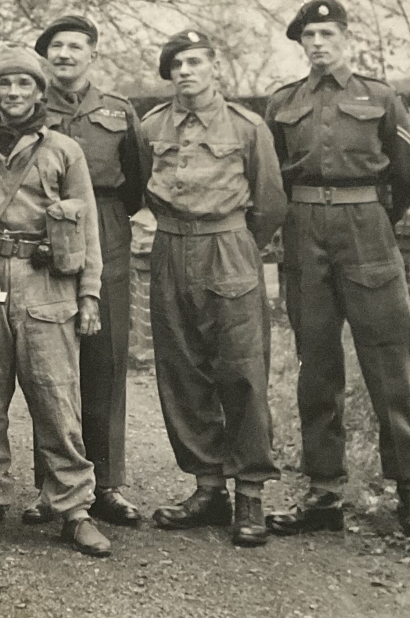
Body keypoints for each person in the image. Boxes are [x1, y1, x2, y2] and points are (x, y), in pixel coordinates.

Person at [263, 0, 410, 538]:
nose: (318, 43)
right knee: (316, 365)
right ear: (300, 43)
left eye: (327, 32)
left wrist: (375, 217)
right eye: (308, 35)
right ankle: (323, 492)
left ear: (344, 37)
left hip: (367, 228)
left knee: (388, 363)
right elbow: (271, 177)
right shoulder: (282, 102)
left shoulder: (380, 97)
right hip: (303, 228)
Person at [0, 48, 111, 558]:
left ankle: (74, 509)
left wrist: (90, 293)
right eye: (5, 85)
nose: (14, 94)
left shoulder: (63, 150)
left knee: (57, 402)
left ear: (39, 92)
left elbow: (89, 228)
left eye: (24, 85)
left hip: (47, 285)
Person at [140, 30, 286, 547]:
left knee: (242, 370)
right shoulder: (152, 126)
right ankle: (207, 486)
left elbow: (269, 202)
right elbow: (143, 184)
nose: (186, 71)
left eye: (196, 61)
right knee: (182, 370)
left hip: (228, 247)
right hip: (171, 249)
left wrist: (238, 243)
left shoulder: (248, 127)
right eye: (177, 63)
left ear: (214, 67)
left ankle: (249, 491)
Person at [18, 15, 144, 528]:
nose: (65, 54)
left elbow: (138, 179)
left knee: (104, 358)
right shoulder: (27, 106)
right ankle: (52, 484)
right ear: (45, 56)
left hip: (105, 226)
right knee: (45, 359)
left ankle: (107, 485)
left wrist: (107, 223)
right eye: (56, 46)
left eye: (76, 46)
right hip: (39, 235)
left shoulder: (117, 109)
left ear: (92, 54)